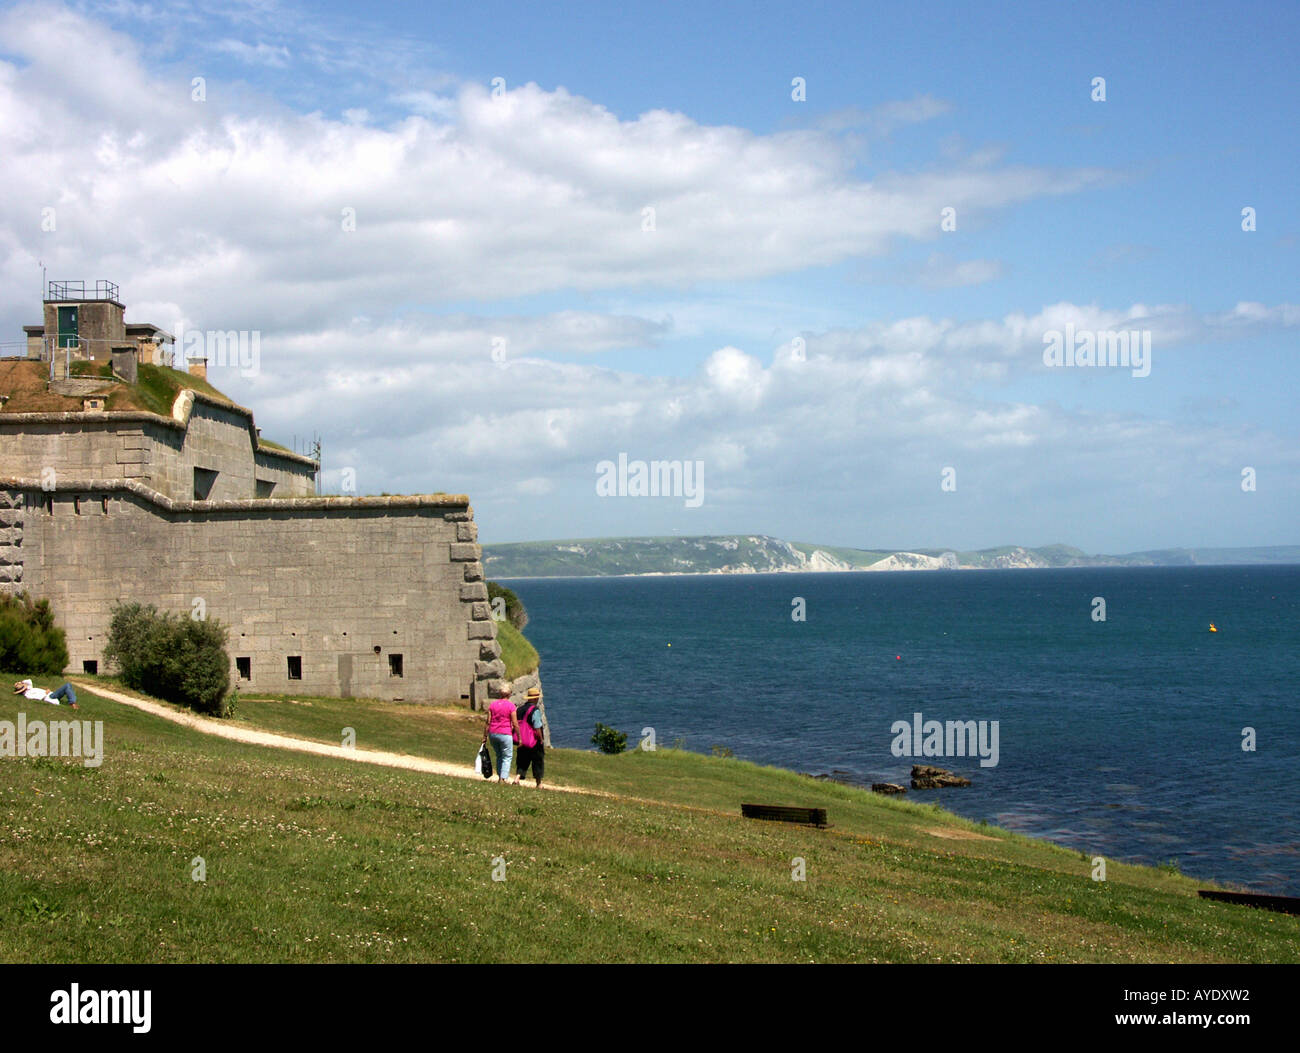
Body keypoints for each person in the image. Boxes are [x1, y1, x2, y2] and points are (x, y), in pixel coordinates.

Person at [482, 682, 518, 783]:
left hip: (493, 733)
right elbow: (515, 723)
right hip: (505, 733)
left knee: (499, 755)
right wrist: (519, 737)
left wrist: (485, 736)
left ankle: (499, 776)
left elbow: (488, 722)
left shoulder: (493, 705)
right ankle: (503, 778)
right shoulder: (511, 706)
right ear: (509, 694)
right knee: (507, 756)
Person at [513, 687, 546, 787]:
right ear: (535, 699)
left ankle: (517, 778)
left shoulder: (519, 709)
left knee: (522, 759)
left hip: (522, 739)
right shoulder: (534, 710)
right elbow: (537, 726)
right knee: (537, 761)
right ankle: (538, 783)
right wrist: (541, 739)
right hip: (533, 740)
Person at [12, 679, 79, 709]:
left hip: (51, 694)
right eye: (21, 685)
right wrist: (45, 693)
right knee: (67, 685)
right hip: (49, 696)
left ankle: (72, 702)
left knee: (68, 686)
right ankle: (73, 703)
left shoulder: (29, 688)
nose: (22, 684)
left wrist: (21, 682)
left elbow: (29, 681)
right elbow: (37, 698)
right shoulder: (27, 694)